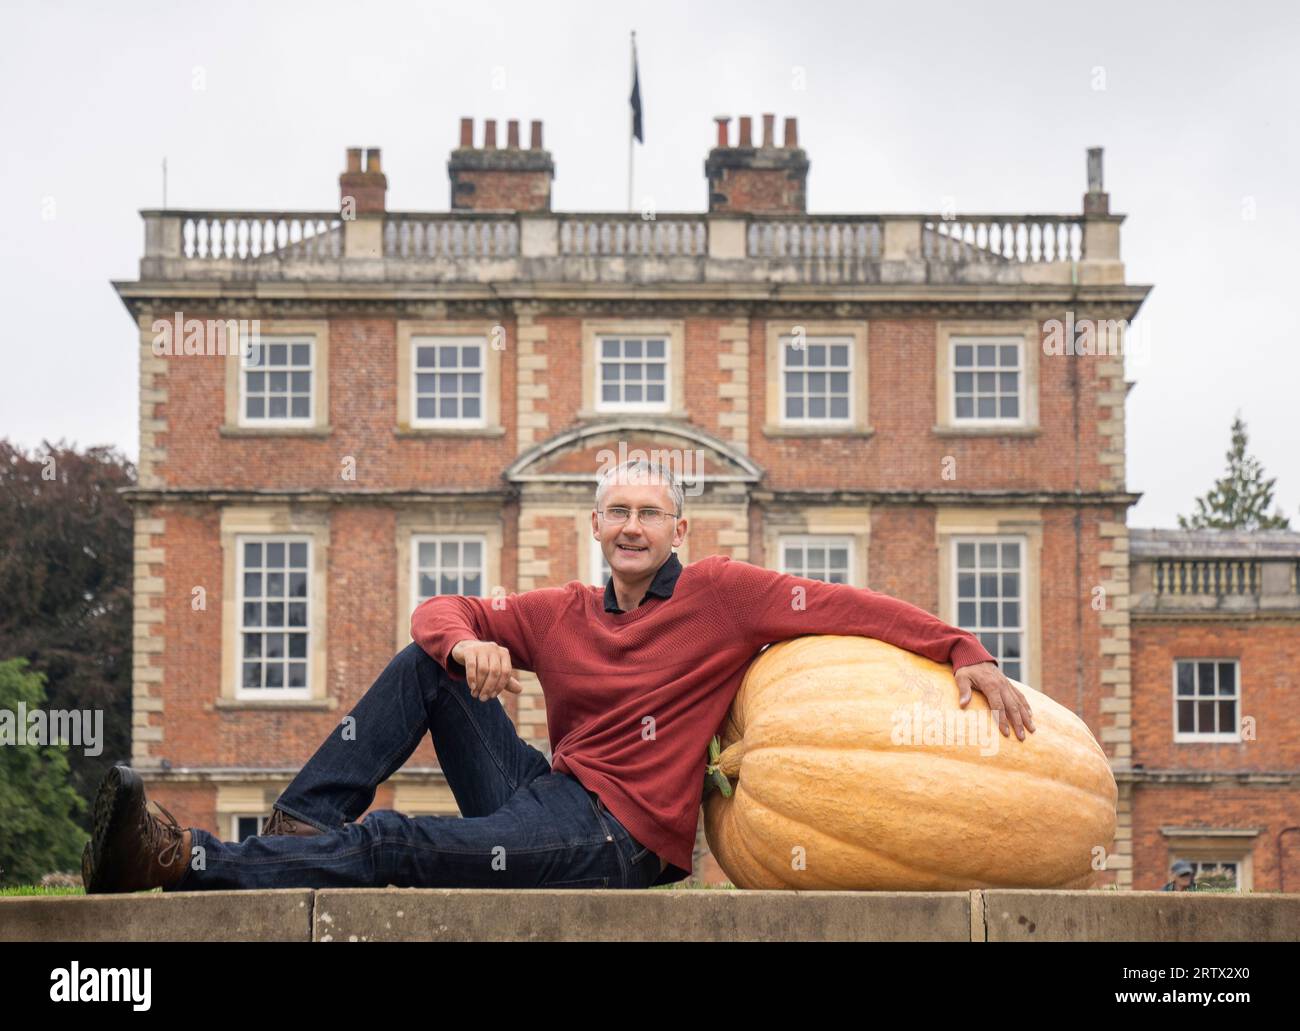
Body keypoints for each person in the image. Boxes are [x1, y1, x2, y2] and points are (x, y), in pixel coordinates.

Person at [82, 457, 1034, 894]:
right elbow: (436, 614)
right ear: (595, 527)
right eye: (615, 510)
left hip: (620, 841)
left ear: (677, 531)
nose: (631, 526)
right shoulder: (563, 613)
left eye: (649, 513)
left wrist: (966, 648)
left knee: (401, 844)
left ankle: (189, 860)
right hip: (555, 793)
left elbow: (848, 606)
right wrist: (465, 646)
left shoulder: (722, 596)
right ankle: (302, 829)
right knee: (426, 663)